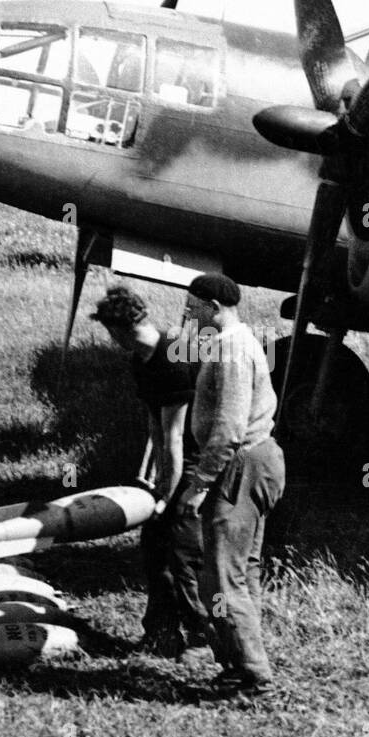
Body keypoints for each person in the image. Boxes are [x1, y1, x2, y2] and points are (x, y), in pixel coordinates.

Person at [89, 285, 210, 660]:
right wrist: (149, 476)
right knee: (154, 550)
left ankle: (203, 638)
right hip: (173, 461)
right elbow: (154, 427)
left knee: (182, 551)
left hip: (195, 462)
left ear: (119, 330)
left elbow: (175, 437)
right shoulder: (140, 360)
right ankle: (161, 633)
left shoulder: (171, 360)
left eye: (110, 333)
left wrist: (165, 497)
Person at [177, 273, 285, 695]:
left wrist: (200, 483)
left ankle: (254, 676)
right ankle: (241, 664)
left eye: (193, 308)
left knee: (222, 576)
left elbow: (228, 427)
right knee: (241, 571)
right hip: (251, 462)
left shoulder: (232, 350)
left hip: (241, 465)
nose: (188, 315)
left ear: (214, 308)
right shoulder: (233, 343)